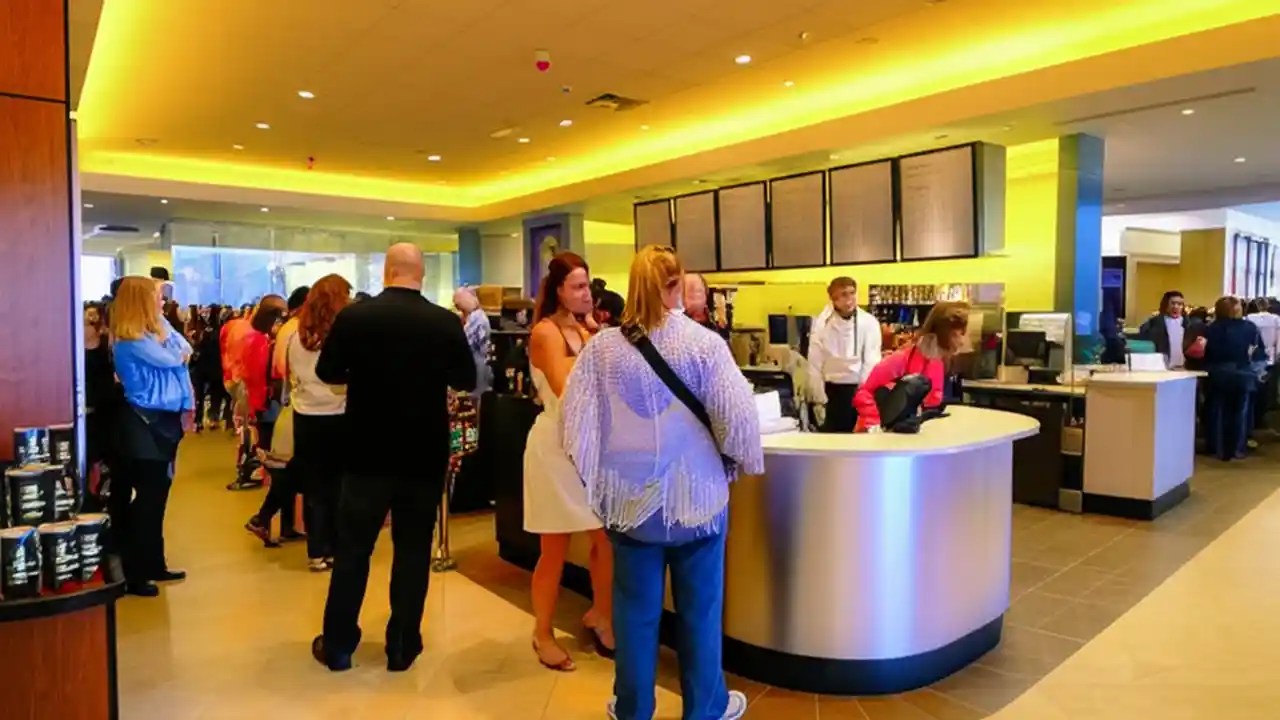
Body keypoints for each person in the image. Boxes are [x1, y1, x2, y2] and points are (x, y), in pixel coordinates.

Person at [561, 245, 763, 720]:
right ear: (675, 285)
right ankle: (706, 706)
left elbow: (576, 426)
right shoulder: (704, 344)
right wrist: (734, 463)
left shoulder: (602, 349)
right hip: (698, 498)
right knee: (700, 612)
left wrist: (599, 481)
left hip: (631, 504)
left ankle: (633, 708)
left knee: (633, 614)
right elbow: (738, 422)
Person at [311, 243, 475, 673]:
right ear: (421, 273)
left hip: (366, 450)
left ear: (387, 271)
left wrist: (364, 376)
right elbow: (465, 378)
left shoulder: (355, 317)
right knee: (413, 550)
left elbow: (327, 372)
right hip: (423, 453)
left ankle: (340, 644)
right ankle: (402, 645)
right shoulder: (443, 322)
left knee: (353, 549)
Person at [523, 251, 615, 672]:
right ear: (558, 290)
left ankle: (600, 612)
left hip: (589, 447)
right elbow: (564, 387)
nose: (584, 294)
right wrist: (599, 347)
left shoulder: (587, 329)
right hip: (555, 447)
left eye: (587, 285)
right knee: (554, 546)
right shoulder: (545, 332)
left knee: (605, 537)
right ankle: (542, 631)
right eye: (577, 286)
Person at [108, 277, 194, 597]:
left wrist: (165, 331)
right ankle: (136, 571)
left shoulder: (149, 333)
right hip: (144, 423)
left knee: (157, 497)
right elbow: (174, 358)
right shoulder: (131, 341)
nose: (162, 303)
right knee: (146, 500)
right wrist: (168, 338)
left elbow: (185, 348)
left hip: (161, 422)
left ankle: (153, 563)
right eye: (156, 298)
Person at [286, 275, 350, 572]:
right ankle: (337, 547)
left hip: (305, 414)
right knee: (338, 485)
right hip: (338, 414)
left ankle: (316, 550)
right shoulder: (341, 332)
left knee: (314, 486)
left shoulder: (294, 335)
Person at [854, 302, 970, 433]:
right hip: (880, 436)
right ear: (946, 332)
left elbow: (931, 403)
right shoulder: (900, 360)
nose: (963, 341)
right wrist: (874, 423)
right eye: (961, 333)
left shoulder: (938, 362)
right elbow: (863, 393)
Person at [241, 296, 301, 544]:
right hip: (270, 408)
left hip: (265, 407)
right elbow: (271, 374)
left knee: (285, 469)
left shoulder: (255, 340)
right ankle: (264, 519)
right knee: (285, 471)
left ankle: (282, 524)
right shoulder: (261, 342)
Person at [807, 276, 882, 433]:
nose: (849, 300)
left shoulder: (869, 323)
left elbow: (871, 360)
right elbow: (815, 361)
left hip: (858, 389)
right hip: (831, 392)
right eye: (842, 295)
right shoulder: (822, 324)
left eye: (852, 293)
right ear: (833, 300)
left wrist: (864, 393)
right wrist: (819, 397)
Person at [1203, 296, 1266, 461]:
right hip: (1243, 373)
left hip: (1217, 373)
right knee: (1241, 412)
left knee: (1217, 410)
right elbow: (1259, 353)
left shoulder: (1210, 329)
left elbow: (1205, 353)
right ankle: (1237, 448)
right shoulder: (1250, 328)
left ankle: (1216, 447)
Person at [1245, 298, 1280, 430]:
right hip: (1270, 357)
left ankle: (1252, 417)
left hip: (1252, 357)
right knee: (1266, 390)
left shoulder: (1249, 318)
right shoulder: (1276, 319)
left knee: (1251, 390)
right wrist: (1277, 355)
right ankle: (1261, 417)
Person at [454, 286, 493, 397]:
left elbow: (465, 342)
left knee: (476, 397)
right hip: (478, 364)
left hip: (477, 364)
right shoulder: (475, 316)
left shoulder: (476, 318)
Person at [1138, 291, 1188, 369]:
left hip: (1184, 368)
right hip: (1162, 367)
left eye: (1179, 304)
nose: (1176, 306)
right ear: (1166, 304)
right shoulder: (1154, 322)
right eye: (1173, 303)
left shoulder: (1188, 323)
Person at [683, 273, 727, 340]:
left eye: (698, 291)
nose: (694, 296)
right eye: (689, 291)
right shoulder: (674, 327)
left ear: (705, 294)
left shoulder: (715, 327)